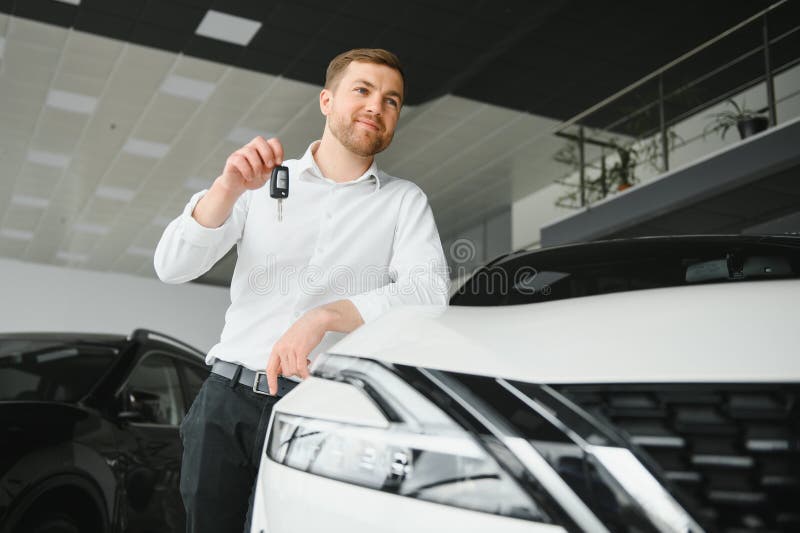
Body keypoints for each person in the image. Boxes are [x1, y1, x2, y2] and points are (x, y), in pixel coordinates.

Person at [153, 48, 449, 533]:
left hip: (321, 410)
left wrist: (325, 316)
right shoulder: (258, 181)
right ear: (326, 101)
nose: (378, 105)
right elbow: (172, 265)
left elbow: (428, 292)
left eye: (392, 100)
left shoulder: (403, 202)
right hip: (225, 403)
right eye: (363, 90)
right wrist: (227, 189)